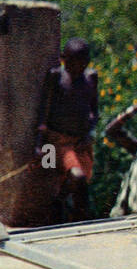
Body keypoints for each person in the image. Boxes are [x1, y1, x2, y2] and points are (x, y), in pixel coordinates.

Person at [35, 37, 98, 222]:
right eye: (73, 61)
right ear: (63, 58)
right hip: (54, 143)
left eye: (83, 62)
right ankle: (56, 205)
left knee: (81, 184)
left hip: (79, 142)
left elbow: (94, 110)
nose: (78, 66)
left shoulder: (91, 78)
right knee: (66, 177)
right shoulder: (56, 77)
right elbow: (44, 112)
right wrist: (39, 145)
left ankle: (76, 219)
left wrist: (89, 132)